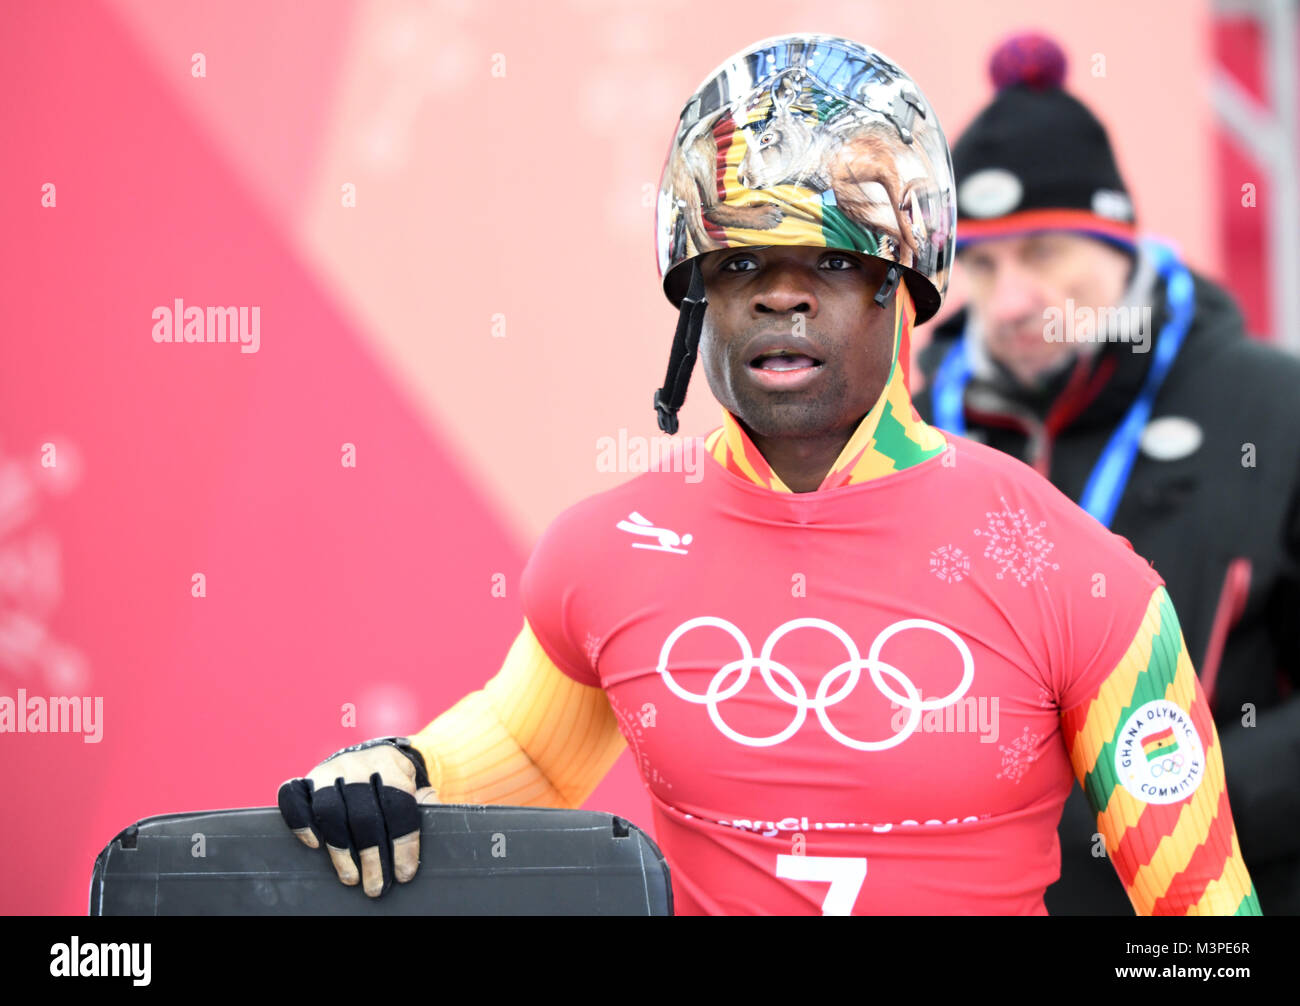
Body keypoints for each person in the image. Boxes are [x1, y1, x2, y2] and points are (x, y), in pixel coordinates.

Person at [278, 32, 1261, 915]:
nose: (780, 297)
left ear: (904, 287)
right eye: (741, 265)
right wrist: (398, 770)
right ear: (695, 300)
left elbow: (1202, 919)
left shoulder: (1083, 577)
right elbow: (534, 751)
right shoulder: (606, 550)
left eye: (829, 263)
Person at [912, 33, 1300, 914]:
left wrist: (1157, 802)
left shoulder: (1274, 411)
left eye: (1045, 254)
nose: (1009, 300)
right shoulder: (918, 424)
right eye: (981, 264)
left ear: (1122, 242)